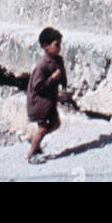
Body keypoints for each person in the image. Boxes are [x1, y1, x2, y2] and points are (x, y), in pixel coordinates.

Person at [27, 27, 67, 163]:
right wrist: (53, 79)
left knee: (55, 123)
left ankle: (36, 140)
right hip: (39, 102)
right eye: (56, 45)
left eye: (60, 45)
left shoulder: (58, 60)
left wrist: (64, 84)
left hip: (50, 101)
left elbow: (62, 73)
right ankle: (32, 154)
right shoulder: (42, 65)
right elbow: (38, 87)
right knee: (43, 127)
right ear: (45, 46)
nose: (59, 48)